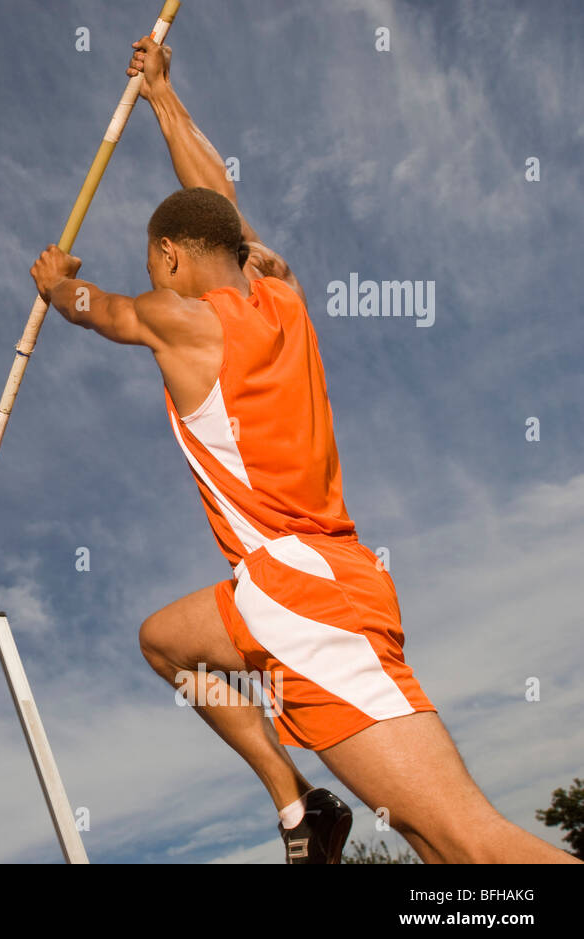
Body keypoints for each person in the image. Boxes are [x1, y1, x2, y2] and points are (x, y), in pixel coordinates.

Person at [28, 37, 580, 864]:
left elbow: (104, 310)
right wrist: (162, 96)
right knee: (166, 640)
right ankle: (300, 812)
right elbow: (215, 193)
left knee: (469, 844)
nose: (157, 278)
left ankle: (303, 811)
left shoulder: (186, 321)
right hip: (302, 583)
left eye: (157, 263)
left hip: (304, 596)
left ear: (171, 256)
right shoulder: (278, 294)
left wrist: (54, 281)